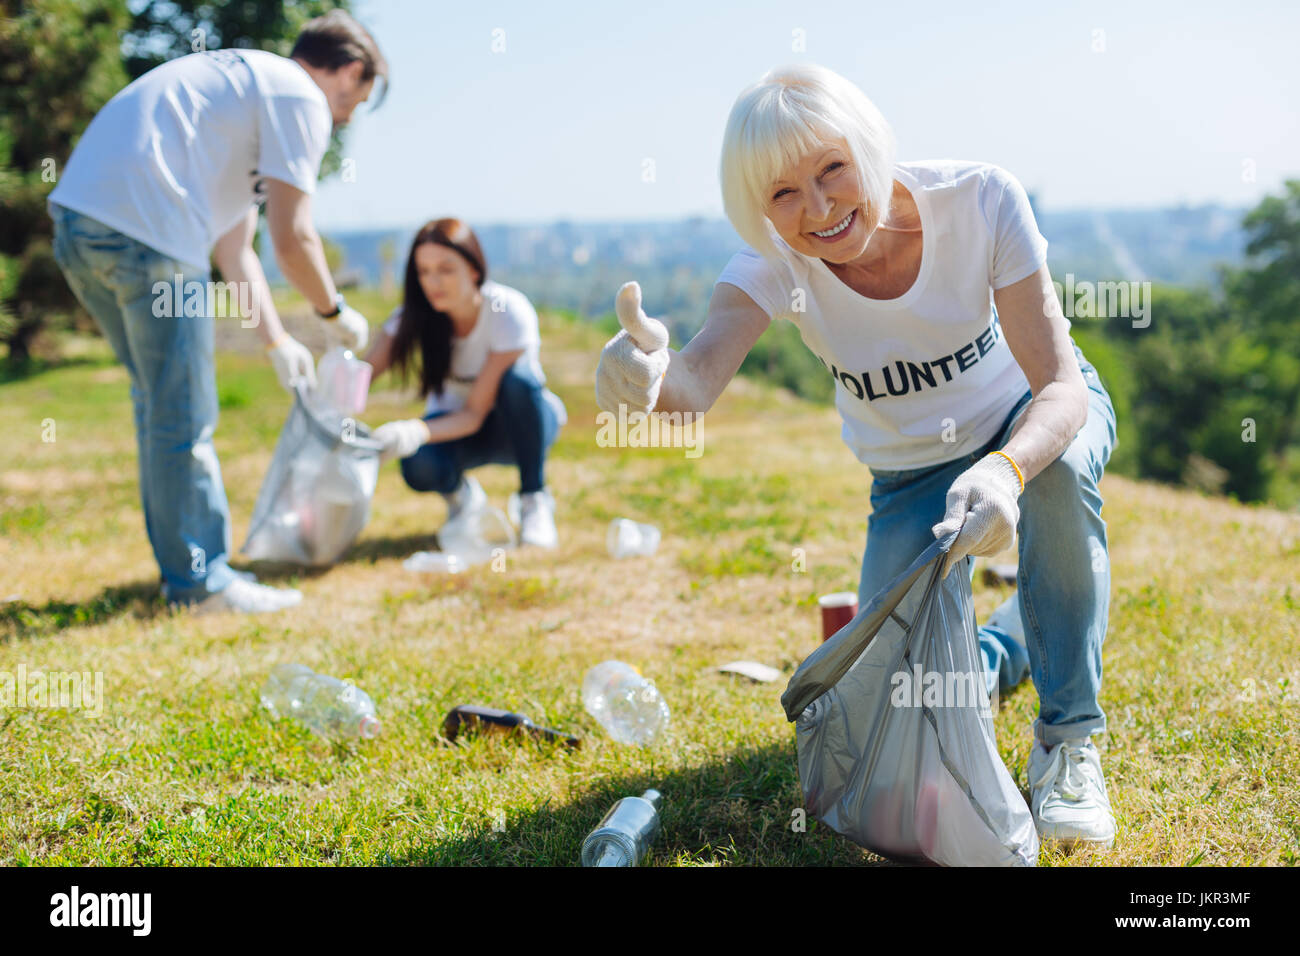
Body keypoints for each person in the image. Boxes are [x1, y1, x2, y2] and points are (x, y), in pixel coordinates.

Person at [595, 63, 1118, 850]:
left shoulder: (979, 200)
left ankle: (1068, 740)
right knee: (895, 715)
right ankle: (1003, 646)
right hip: (908, 477)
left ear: (868, 147)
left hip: (1027, 423)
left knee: (1060, 477)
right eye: (782, 193)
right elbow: (695, 383)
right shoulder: (773, 264)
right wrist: (645, 377)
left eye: (832, 169)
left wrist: (1005, 470)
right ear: (757, 209)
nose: (819, 208)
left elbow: (1061, 389)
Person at [48, 11, 385, 615]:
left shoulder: (243, 94)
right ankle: (201, 585)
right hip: (146, 234)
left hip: (78, 226)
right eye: (356, 103)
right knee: (183, 416)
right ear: (350, 72)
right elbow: (294, 238)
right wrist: (333, 314)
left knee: (160, 407)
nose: (346, 119)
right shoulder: (300, 96)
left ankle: (183, 572)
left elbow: (236, 250)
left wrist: (277, 341)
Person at [368, 219, 566, 548]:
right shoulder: (410, 319)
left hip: (520, 428)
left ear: (474, 269)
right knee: (418, 464)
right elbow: (365, 373)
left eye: (446, 269)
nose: (434, 282)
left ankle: (534, 499)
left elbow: (474, 413)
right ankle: (463, 499)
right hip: (457, 432)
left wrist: (413, 431)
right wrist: (337, 367)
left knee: (518, 382)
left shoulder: (507, 313)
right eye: (424, 271)